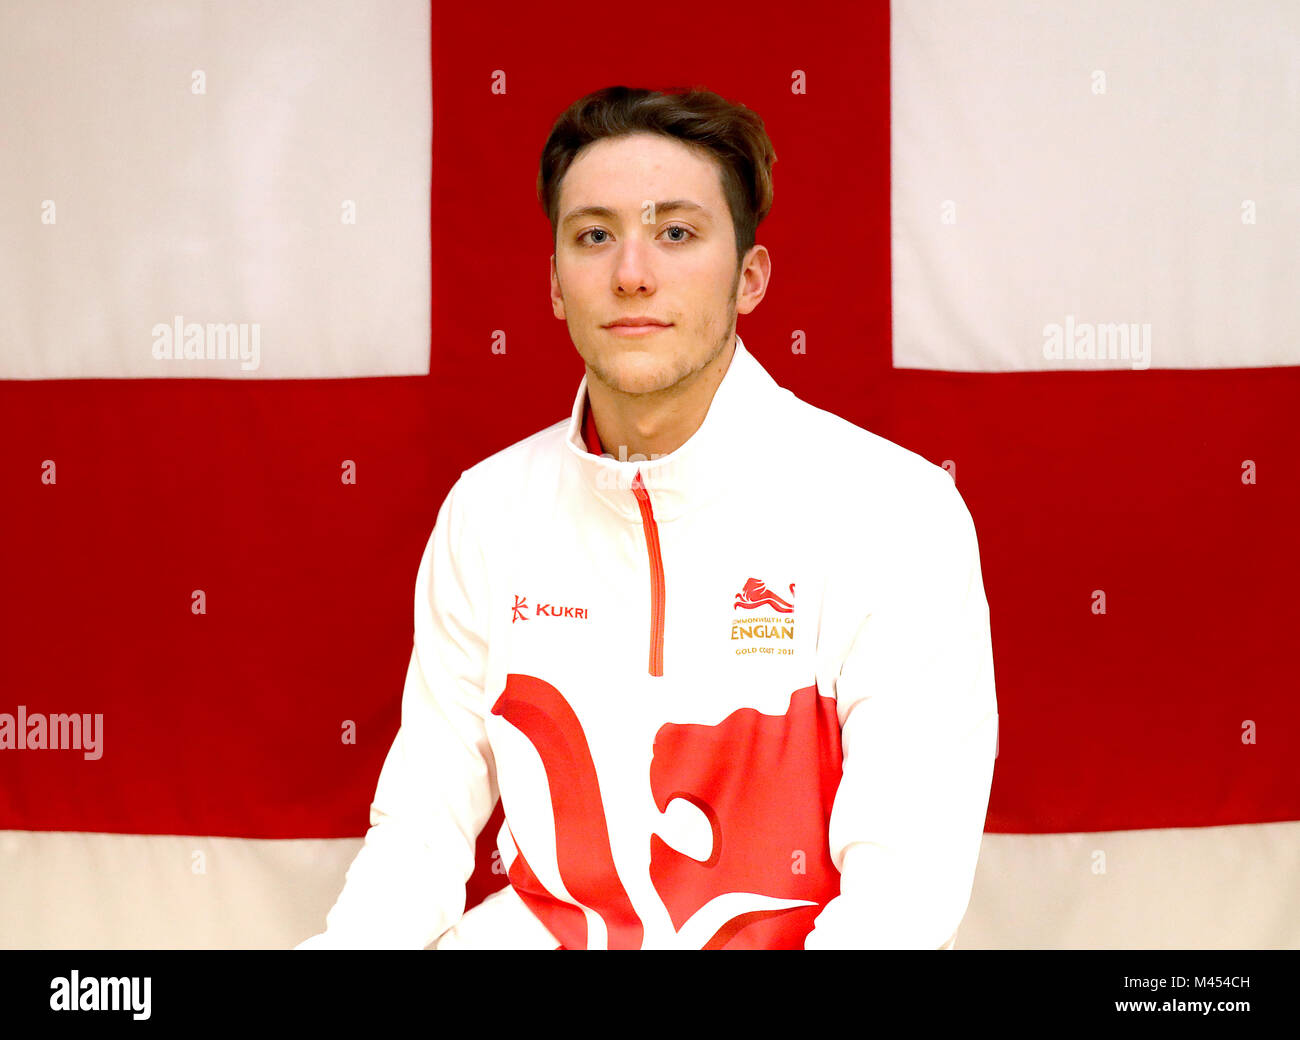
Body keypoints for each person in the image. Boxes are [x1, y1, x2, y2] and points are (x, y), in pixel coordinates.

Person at [297, 85, 998, 950]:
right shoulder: (488, 510)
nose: (632, 272)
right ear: (556, 285)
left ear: (749, 278)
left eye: (676, 234)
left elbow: (899, 900)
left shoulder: (896, 513)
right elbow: (420, 832)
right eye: (595, 236)